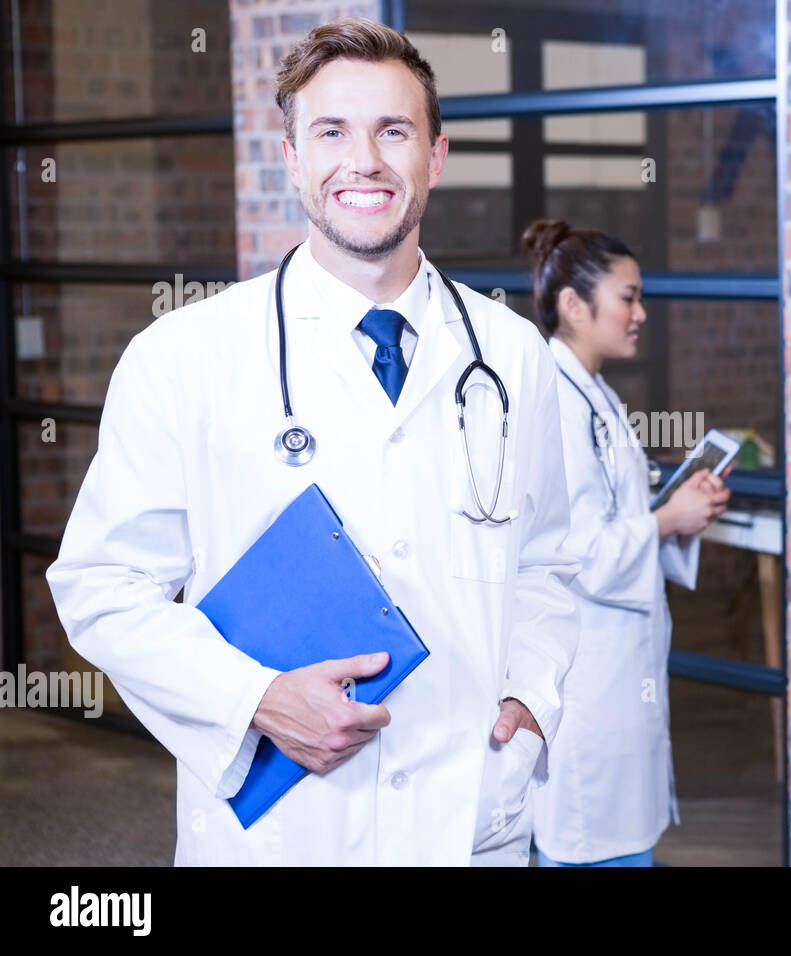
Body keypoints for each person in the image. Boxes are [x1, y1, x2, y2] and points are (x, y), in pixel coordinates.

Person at [45, 17, 580, 866]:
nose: (363, 160)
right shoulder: (183, 356)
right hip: (284, 834)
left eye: (393, 131)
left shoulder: (510, 353)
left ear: (435, 157)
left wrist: (532, 693)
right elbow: (103, 589)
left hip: (471, 823)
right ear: (292, 159)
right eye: (331, 131)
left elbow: (552, 558)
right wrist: (253, 697)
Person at [521, 218, 731, 866]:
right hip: (585, 671)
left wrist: (673, 511)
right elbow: (576, 552)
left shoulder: (598, 395)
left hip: (617, 665)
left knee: (619, 839)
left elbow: (614, 515)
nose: (641, 313)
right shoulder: (553, 398)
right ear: (573, 305)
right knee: (589, 841)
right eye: (629, 297)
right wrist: (667, 522)